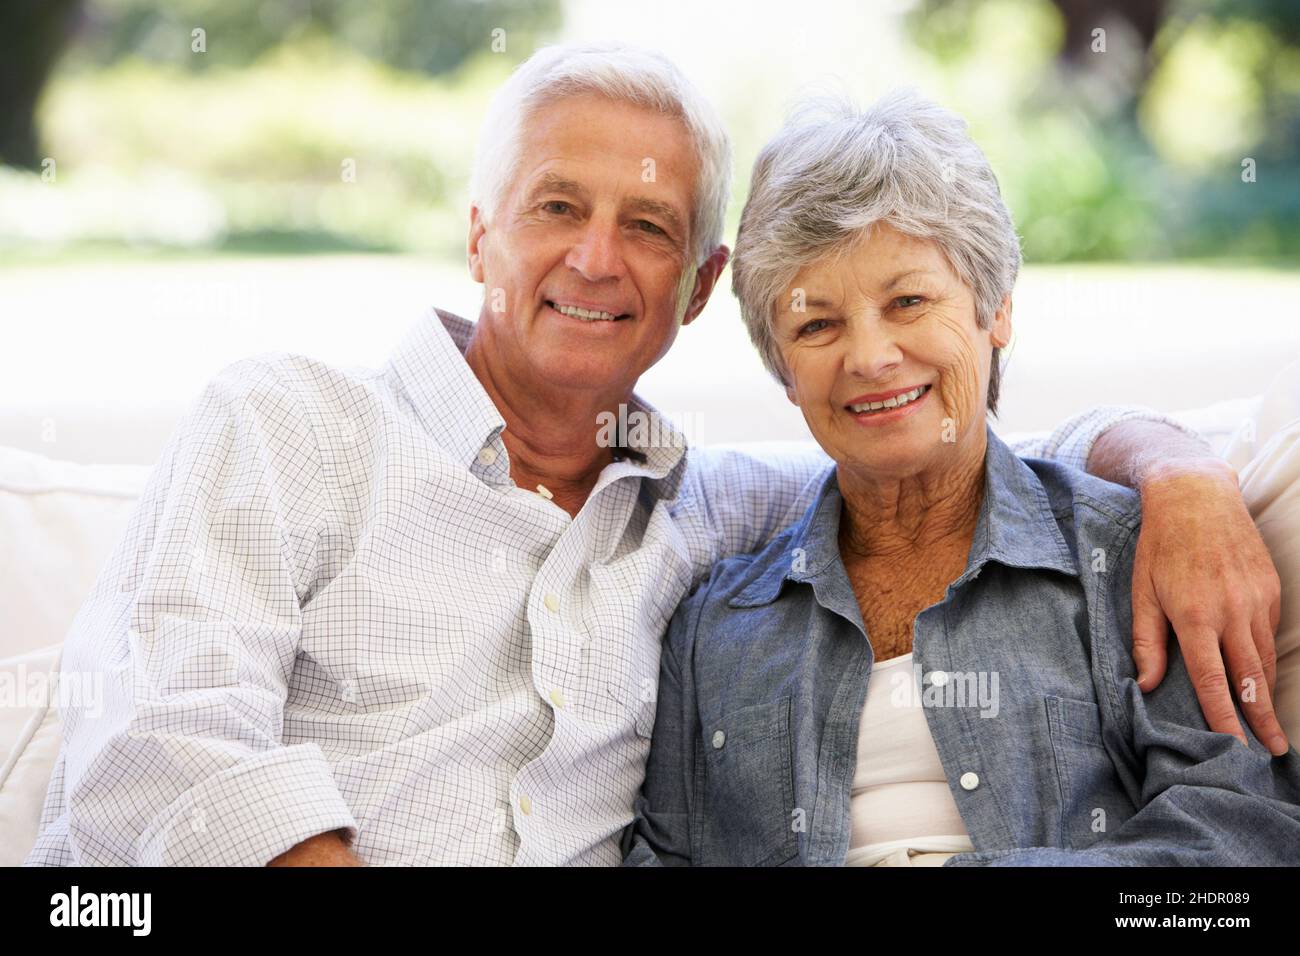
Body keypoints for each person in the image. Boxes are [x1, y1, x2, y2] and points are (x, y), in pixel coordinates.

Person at [27, 45, 1284, 867]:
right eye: (556, 207)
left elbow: (945, 459)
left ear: (694, 287)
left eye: (645, 226)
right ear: (478, 234)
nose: (594, 260)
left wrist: (1171, 468)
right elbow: (162, 745)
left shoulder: (707, 513)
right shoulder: (290, 426)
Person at [623, 90, 1300, 867]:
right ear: (784, 371)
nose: (870, 358)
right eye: (817, 324)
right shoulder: (714, 623)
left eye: (908, 301)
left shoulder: (1128, 562)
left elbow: (1245, 841)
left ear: (995, 309)